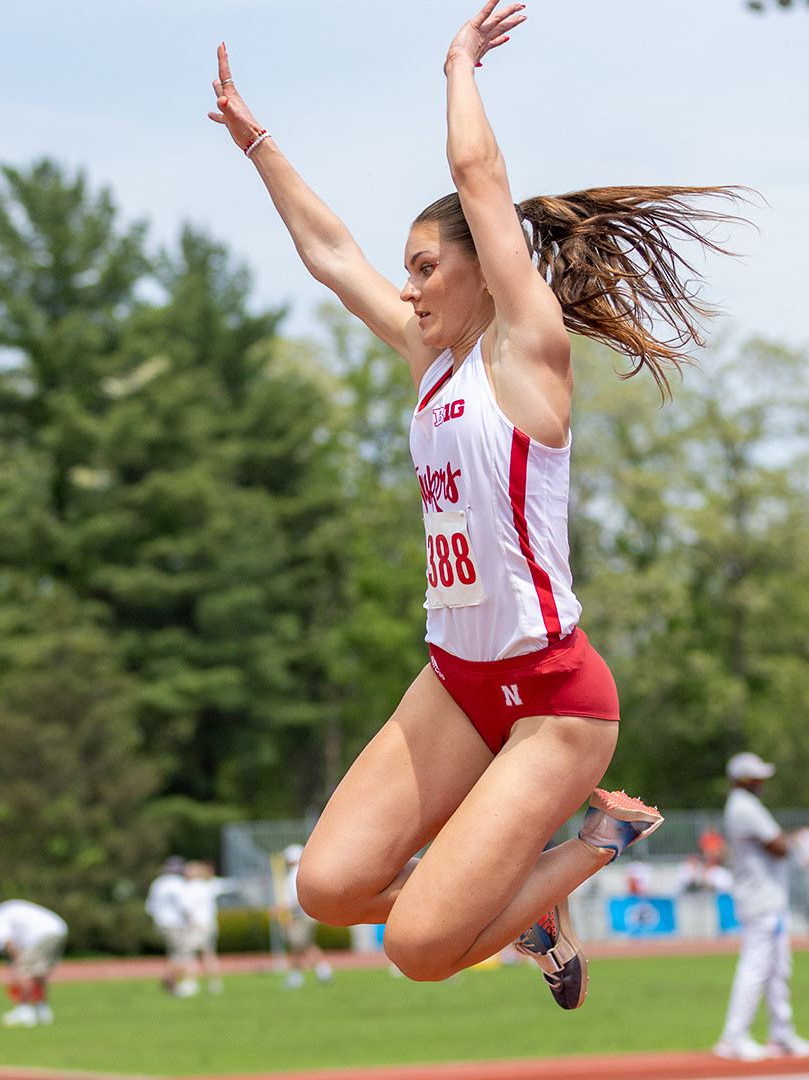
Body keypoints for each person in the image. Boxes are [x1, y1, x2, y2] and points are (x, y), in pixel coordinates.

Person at [209, 1, 743, 1009]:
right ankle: (521, 906)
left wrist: (461, 65)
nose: (407, 290)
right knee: (328, 886)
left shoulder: (528, 356)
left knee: (417, 947)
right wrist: (260, 145)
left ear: (484, 272)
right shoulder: (430, 359)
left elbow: (479, 181)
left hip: (551, 699)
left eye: (424, 268)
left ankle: (593, 844)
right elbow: (329, 255)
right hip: (456, 679)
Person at [712, 752, 809, 1062]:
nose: (762, 782)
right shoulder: (745, 807)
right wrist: (800, 839)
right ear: (746, 779)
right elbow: (780, 846)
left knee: (777, 968)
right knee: (757, 967)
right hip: (761, 900)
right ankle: (733, 1037)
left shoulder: (744, 806)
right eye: (758, 777)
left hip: (766, 898)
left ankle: (781, 1033)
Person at [0, 899, 68, 1028]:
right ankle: (43, 1012)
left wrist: (16, 962)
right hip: (58, 929)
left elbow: (8, 943)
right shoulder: (2, 912)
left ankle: (25, 1013)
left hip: (40, 935)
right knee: (39, 973)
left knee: (24, 972)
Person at [274, 845, 334, 988]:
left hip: (301, 915)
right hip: (305, 914)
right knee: (302, 945)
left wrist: (282, 908)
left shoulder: (294, 875)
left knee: (299, 944)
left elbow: (295, 899)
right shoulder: (303, 873)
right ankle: (319, 971)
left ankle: (311, 973)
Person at [147, 856, 199, 996]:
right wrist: (191, 923)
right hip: (175, 925)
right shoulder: (179, 883)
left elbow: (150, 908)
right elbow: (186, 907)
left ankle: (172, 984)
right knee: (181, 956)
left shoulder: (157, 883)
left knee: (175, 955)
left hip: (160, 924)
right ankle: (169, 982)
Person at [182, 860, 229, 995]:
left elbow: (187, 909)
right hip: (209, 924)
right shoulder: (207, 886)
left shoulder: (190, 887)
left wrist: (190, 924)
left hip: (197, 925)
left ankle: (191, 983)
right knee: (208, 954)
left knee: (189, 954)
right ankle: (215, 983)